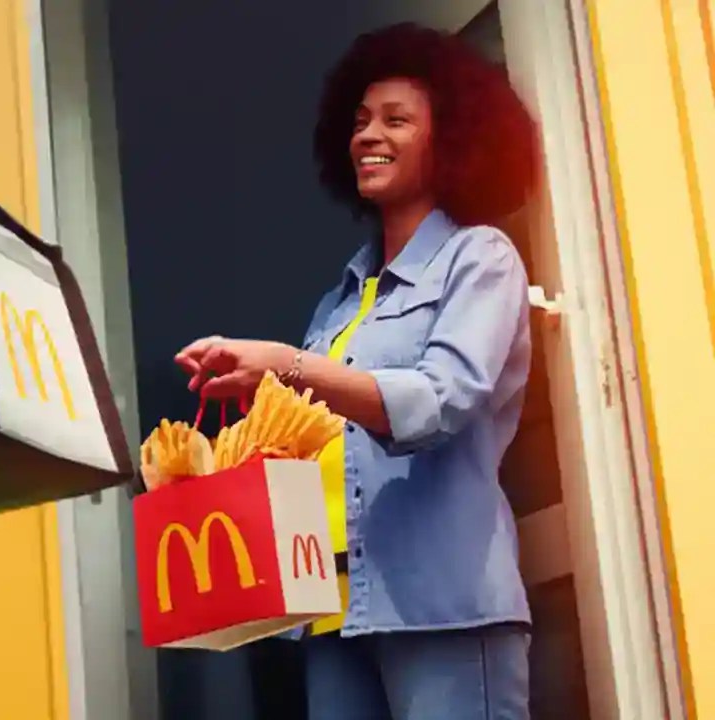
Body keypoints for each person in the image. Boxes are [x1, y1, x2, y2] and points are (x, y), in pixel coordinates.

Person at [174, 23, 540, 720]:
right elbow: (320, 442)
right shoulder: (339, 301)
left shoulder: (480, 259)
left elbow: (441, 399)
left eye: (396, 120)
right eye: (360, 120)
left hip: (444, 607)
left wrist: (286, 366)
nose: (368, 135)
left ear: (452, 141)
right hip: (334, 613)